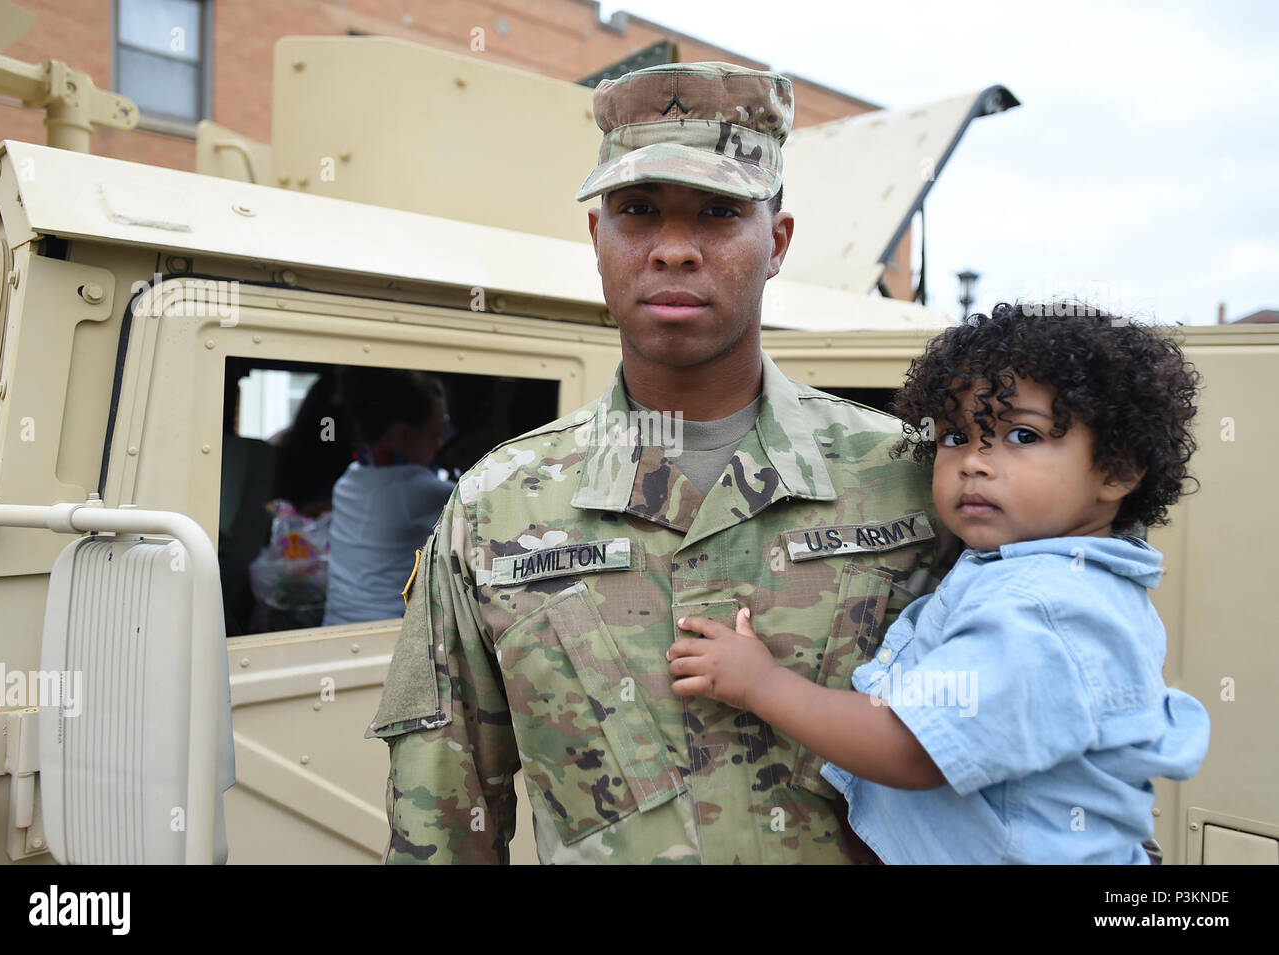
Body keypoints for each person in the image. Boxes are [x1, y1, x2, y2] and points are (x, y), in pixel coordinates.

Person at [368, 62, 955, 864]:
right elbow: (445, 815)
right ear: (597, 239)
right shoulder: (496, 509)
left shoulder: (914, 480)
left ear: (776, 243)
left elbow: (1019, 747)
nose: (675, 250)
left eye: (718, 213)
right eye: (638, 211)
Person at [669, 303, 1211, 863]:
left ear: (1118, 470)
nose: (974, 461)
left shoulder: (1042, 604)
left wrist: (762, 685)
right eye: (955, 436)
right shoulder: (1036, 573)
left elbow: (912, 749)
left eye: (1021, 435)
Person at [323, 368, 455, 625]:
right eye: (435, 434)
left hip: (334, 625)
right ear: (403, 435)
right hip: (384, 635)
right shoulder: (419, 491)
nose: (439, 445)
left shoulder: (349, 479)